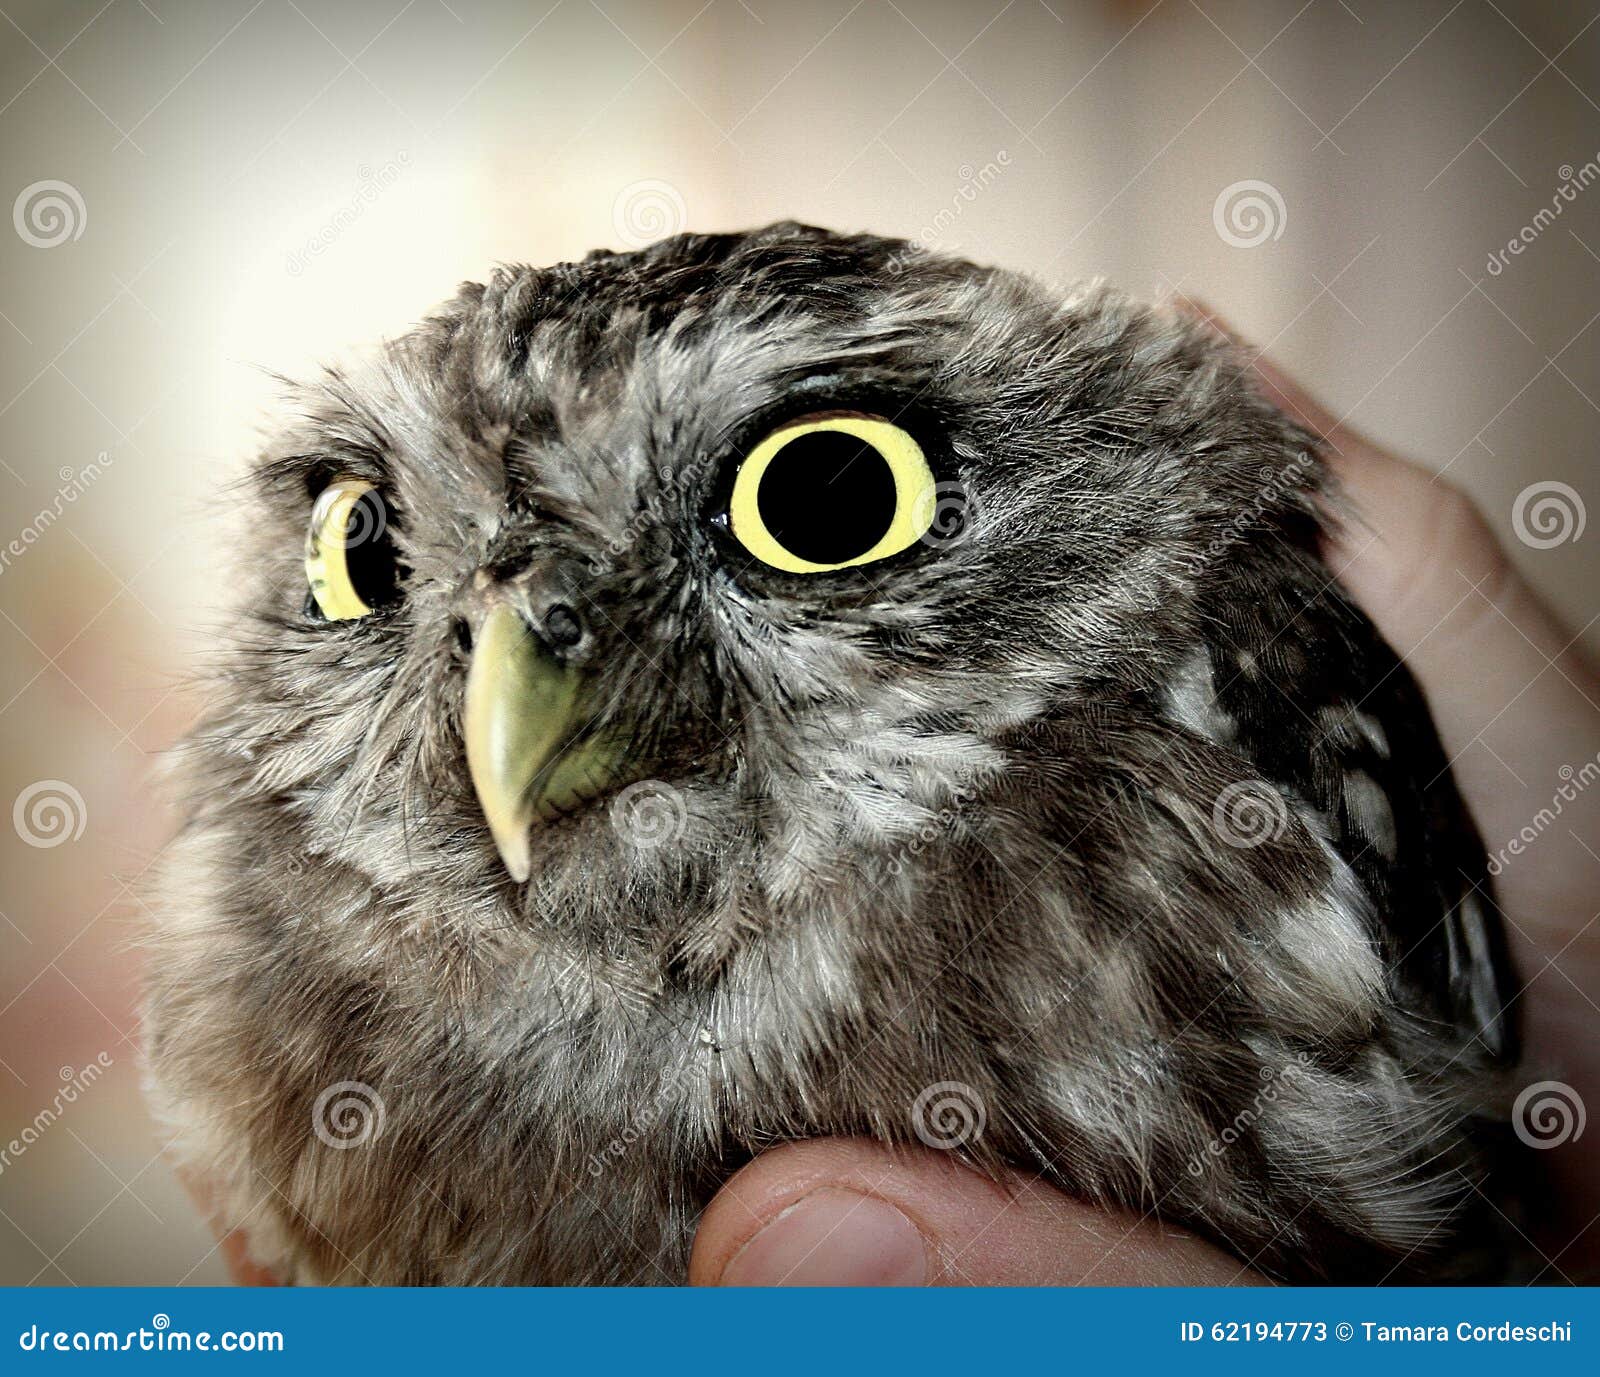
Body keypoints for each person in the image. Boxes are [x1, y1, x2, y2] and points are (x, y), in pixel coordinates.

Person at [207, 318, 1600, 1287]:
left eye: (823, 504)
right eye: (368, 558)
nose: (510, 670)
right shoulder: (259, 939)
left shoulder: (1231, 710)